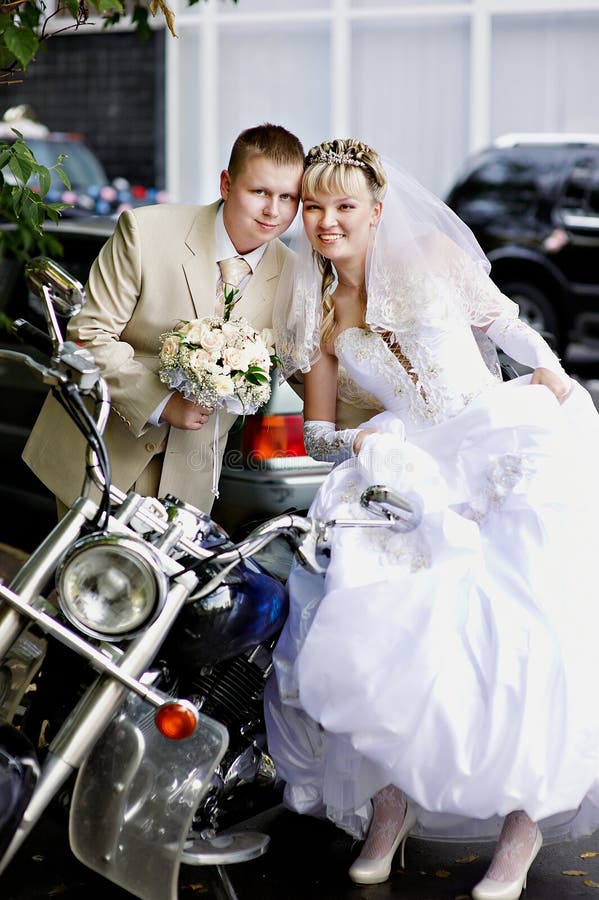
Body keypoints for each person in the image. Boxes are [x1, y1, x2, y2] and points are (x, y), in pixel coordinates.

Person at [266, 138, 599, 899]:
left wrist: (549, 372)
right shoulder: (316, 310)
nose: (326, 221)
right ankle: (390, 803)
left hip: (496, 444)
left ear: (377, 210)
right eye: (313, 207)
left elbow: (504, 325)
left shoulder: (430, 257)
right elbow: (316, 433)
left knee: (517, 634)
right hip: (408, 467)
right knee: (392, 633)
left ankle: (522, 824)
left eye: (344, 206)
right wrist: (357, 440)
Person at [22, 123, 305, 514]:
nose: (273, 210)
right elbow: (89, 335)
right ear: (226, 184)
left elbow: (307, 371)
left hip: (189, 481)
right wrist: (162, 402)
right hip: (101, 457)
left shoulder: (294, 276)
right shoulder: (144, 231)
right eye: (259, 192)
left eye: (288, 197)